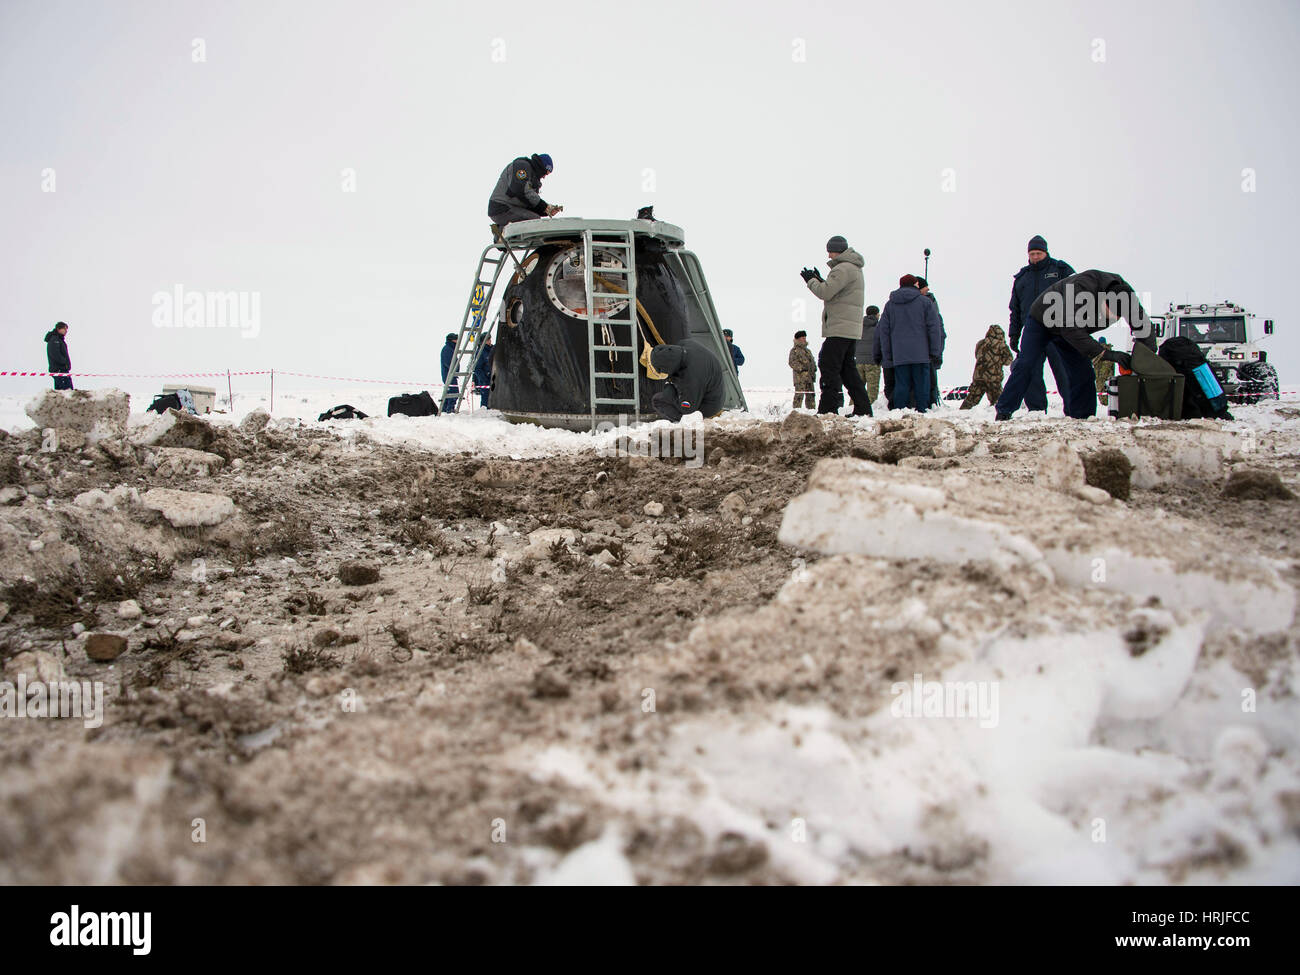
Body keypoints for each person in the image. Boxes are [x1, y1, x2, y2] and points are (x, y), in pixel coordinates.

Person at [996, 269, 1155, 420]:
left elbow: (1144, 328)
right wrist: (1106, 354)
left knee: (1083, 372)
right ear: (1103, 297)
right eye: (1109, 311)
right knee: (1027, 364)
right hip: (1042, 321)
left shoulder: (1127, 297)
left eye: (1117, 315)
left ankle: (1083, 417)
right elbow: (1070, 328)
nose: (1111, 317)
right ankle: (1004, 410)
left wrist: (1145, 360)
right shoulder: (1083, 287)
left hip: (1071, 329)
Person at [800, 235, 872, 416]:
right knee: (848, 370)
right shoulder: (853, 268)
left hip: (840, 327)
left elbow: (826, 292)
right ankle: (863, 408)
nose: (829, 256)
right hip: (850, 328)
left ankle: (828, 408)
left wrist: (811, 281)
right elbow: (838, 291)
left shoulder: (842, 269)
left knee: (828, 364)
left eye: (829, 252)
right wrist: (820, 279)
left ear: (835, 250)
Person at [1009, 235, 1075, 412]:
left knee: (1064, 372)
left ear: (1045, 252)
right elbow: (1015, 310)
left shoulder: (1061, 270)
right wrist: (1014, 335)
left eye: (1038, 253)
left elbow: (1077, 296)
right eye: (1032, 254)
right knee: (1029, 371)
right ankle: (1036, 410)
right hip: (1032, 333)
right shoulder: (1022, 278)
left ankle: (1074, 409)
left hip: (1058, 331)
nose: (1035, 257)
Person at [877, 275, 943, 413]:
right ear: (915, 285)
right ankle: (922, 412)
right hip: (921, 353)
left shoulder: (890, 304)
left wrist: (887, 355)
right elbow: (934, 328)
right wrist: (935, 351)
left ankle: (900, 413)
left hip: (899, 353)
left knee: (901, 385)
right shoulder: (925, 302)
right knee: (922, 386)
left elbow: (884, 331)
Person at [649, 340, 726, 422]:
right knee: (670, 391)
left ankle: (681, 422)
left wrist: (669, 386)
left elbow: (687, 409)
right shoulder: (685, 344)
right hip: (714, 392)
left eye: (661, 369)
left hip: (710, 405)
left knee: (658, 400)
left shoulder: (691, 377)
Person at [487, 153, 562, 230]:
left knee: (533, 218)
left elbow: (529, 202)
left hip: (512, 207)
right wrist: (544, 206)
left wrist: (546, 210)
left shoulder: (533, 179)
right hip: (501, 207)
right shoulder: (522, 166)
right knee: (533, 220)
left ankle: (504, 231)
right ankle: (502, 234)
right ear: (541, 167)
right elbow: (520, 189)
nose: (544, 177)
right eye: (545, 173)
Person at [960, 325, 1015, 409]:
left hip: (979, 376)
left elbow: (977, 356)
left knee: (972, 398)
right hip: (993, 377)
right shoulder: (1002, 345)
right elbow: (1009, 360)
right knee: (998, 400)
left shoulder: (980, 343)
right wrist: (999, 362)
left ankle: (962, 413)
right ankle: (998, 415)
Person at [916, 279, 945, 406]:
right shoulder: (931, 304)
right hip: (929, 350)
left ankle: (929, 403)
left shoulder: (928, 303)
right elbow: (938, 332)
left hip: (924, 350)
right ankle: (930, 403)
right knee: (929, 380)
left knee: (927, 381)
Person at [856, 305, 881, 404]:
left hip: (859, 361)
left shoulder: (859, 327)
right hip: (872, 361)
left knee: (857, 387)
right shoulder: (878, 328)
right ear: (876, 314)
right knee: (872, 389)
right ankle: (869, 408)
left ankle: (853, 406)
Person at [789, 330, 816, 409]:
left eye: (805, 337)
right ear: (798, 339)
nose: (804, 339)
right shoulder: (794, 351)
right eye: (802, 338)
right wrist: (802, 369)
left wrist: (814, 369)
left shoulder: (808, 351)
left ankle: (811, 412)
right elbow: (792, 362)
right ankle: (796, 413)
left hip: (809, 378)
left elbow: (812, 362)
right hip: (800, 378)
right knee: (799, 396)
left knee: (811, 396)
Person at [45, 322, 72, 390]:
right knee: (66, 392)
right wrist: (65, 362)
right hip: (59, 370)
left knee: (62, 392)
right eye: (64, 329)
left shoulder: (59, 340)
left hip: (62, 370)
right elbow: (55, 354)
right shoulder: (54, 340)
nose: (66, 331)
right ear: (58, 329)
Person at [473, 334, 495, 408]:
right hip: (486, 380)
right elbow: (477, 368)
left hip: (494, 379)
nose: (490, 341)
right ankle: (484, 414)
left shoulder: (493, 349)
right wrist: (484, 379)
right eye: (487, 340)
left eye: (490, 339)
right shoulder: (481, 352)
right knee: (485, 400)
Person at [440, 333, 459, 413]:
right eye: (456, 339)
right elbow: (449, 363)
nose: (457, 341)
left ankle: (445, 409)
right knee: (453, 392)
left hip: (451, 375)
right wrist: (455, 370)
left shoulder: (450, 349)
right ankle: (449, 409)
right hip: (449, 375)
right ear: (452, 340)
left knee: (450, 392)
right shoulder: (447, 349)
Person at [1093, 336, 1114, 406]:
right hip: (1107, 376)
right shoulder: (1109, 351)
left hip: (1100, 375)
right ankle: (1105, 403)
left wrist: (1101, 375)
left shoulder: (1098, 351)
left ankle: (1104, 403)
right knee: (1106, 390)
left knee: (1100, 389)